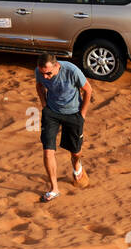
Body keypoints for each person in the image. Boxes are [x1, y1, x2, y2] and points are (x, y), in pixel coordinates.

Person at [35, 54, 92, 203]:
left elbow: (88, 90)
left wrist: (82, 115)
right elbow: (39, 85)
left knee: (75, 152)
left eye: (49, 73)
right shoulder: (39, 72)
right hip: (51, 113)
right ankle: (54, 189)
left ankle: (76, 165)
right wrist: (44, 106)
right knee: (48, 151)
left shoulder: (71, 70)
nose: (45, 77)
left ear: (56, 66)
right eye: (43, 73)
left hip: (73, 114)